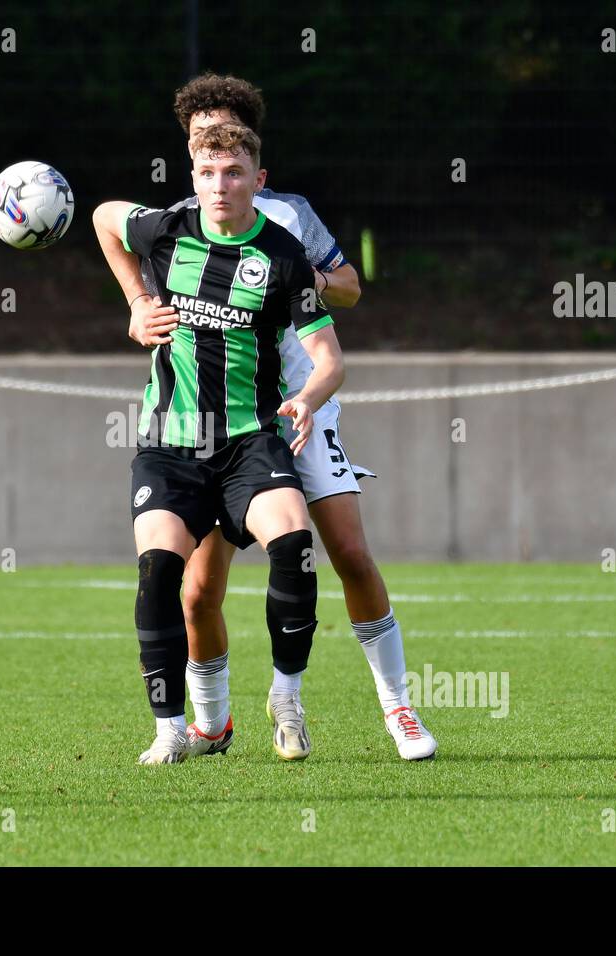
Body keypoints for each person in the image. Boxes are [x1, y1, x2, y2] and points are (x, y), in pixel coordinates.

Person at [127, 73, 437, 761]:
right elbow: (117, 240)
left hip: (302, 413)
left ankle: (399, 709)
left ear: (249, 146)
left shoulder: (289, 220)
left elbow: (351, 288)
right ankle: (209, 724)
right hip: (224, 426)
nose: (209, 152)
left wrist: (293, 282)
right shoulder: (181, 217)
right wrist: (135, 306)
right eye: (196, 141)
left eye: (220, 137)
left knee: (348, 554)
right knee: (198, 591)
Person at [94, 122, 345, 763]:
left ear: (257, 181)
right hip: (170, 444)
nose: (219, 186)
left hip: (248, 442)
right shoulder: (166, 231)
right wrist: (135, 301)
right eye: (207, 174)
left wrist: (307, 400)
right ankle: (170, 729)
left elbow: (329, 359)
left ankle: (286, 699)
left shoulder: (285, 255)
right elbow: (100, 217)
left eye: (233, 173)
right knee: (160, 573)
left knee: (293, 543)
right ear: (193, 179)